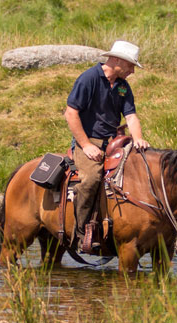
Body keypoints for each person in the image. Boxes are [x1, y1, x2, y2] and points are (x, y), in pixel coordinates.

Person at [64, 40, 149, 248]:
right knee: (92, 179)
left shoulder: (122, 86)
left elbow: (130, 117)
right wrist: (85, 145)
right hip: (89, 141)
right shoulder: (89, 78)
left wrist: (138, 138)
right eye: (130, 66)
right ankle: (80, 233)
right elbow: (71, 113)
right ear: (118, 61)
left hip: (113, 142)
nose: (132, 71)